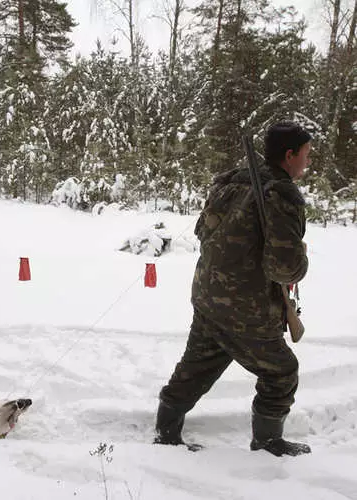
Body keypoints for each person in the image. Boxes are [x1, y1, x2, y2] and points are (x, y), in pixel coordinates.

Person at [155, 121, 312, 457]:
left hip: (209, 297)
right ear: (289, 155)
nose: (307, 162)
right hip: (248, 310)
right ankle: (268, 443)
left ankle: (165, 436)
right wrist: (301, 263)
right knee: (282, 373)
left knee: (195, 367)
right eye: (305, 154)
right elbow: (284, 267)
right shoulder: (280, 195)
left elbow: (204, 233)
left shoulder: (230, 184)